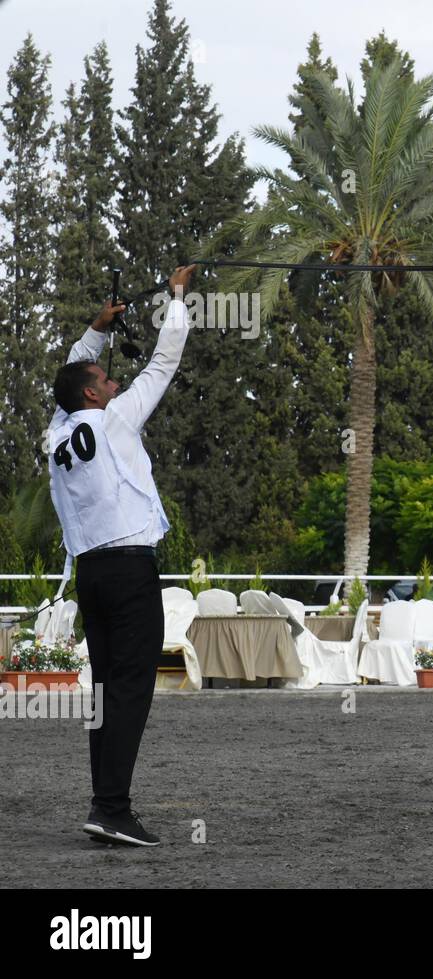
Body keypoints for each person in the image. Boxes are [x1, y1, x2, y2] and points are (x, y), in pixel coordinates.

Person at [48, 264, 196, 847]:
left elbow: (67, 378)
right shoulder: (115, 420)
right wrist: (178, 296)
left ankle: (102, 805)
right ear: (92, 393)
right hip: (131, 571)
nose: (114, 385)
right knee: (129, 690)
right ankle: (111, 808)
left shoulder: (57, 432)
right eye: (106, 380)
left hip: (91, 575)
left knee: (105, 691)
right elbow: (166, 359)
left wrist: (96, 329)